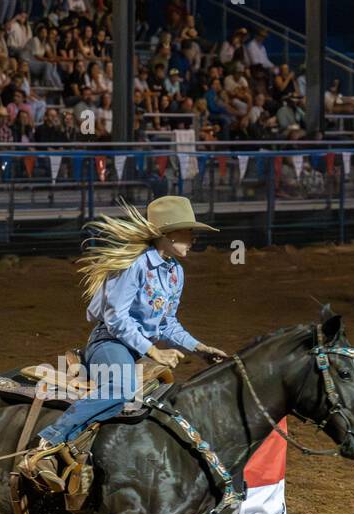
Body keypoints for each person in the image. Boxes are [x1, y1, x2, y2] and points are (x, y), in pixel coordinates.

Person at [17, 196, 228, 492]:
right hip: (109, 342)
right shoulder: (134, 264)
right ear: (168, 234)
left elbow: (167, 323)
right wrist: (153, 350)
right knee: (122, 389)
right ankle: (48, 440)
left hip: (134, 348)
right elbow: (116, 317)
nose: (193, 238)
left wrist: (199, 348)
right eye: (188, 231)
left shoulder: (174, 272)